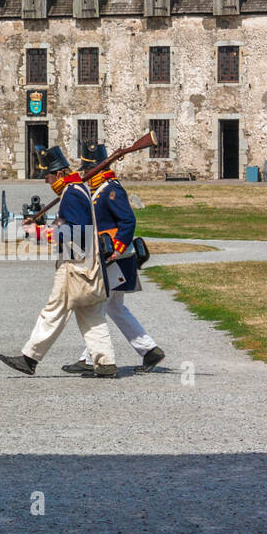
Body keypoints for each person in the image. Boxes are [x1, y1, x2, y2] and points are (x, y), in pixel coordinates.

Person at [0, 145, 116, 378]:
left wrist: (40, 233)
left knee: (53, 311)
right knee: (91, 317)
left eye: (49, 176)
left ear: (60, 173)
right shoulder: (75, 190)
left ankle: (29, 358)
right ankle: (105, 363)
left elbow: (77, 231)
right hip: (86, 264)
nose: (47, 181)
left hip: (75, 266)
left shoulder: (72, 194)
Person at [63, 142, 166, 374]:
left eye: (89, 168)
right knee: (114, 308)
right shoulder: (99, 190)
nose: (86, 173)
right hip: (111, 257)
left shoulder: (112, 189)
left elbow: (127, 221)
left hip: (118, 258)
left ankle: (91, 359)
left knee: (98, 305)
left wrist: (117, 248)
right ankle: (149, 351)